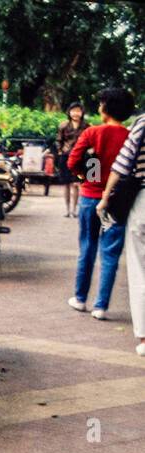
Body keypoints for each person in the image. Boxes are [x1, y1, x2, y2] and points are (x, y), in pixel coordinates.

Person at [68, 87, 135, 319]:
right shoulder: (129, 135)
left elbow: (73, 162)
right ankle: (101, 306)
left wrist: (86, 177)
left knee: (87, 247)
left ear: (105, 108)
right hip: (117, 201)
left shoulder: (92, 133)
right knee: (111, 253)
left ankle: (79, 298)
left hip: (90, 196)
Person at [100, 111, 145, 356]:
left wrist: (104, 196)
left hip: (142, 202)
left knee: (139, 269)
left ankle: (144, 338)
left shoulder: (141, 123)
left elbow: (123, 162)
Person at [56, 103, 89, 215]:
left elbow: (90, 141)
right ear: (69, 112)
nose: (76, 113)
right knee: (66, 184)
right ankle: (67, 209)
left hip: (80, 157)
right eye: (73, 111)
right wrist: (60, 151)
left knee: (77, 184)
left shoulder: (86, 126)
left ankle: (75, 210)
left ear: (82, 112)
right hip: (66, 156)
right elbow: (58, 140)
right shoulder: (63, 125)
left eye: (78, 111)